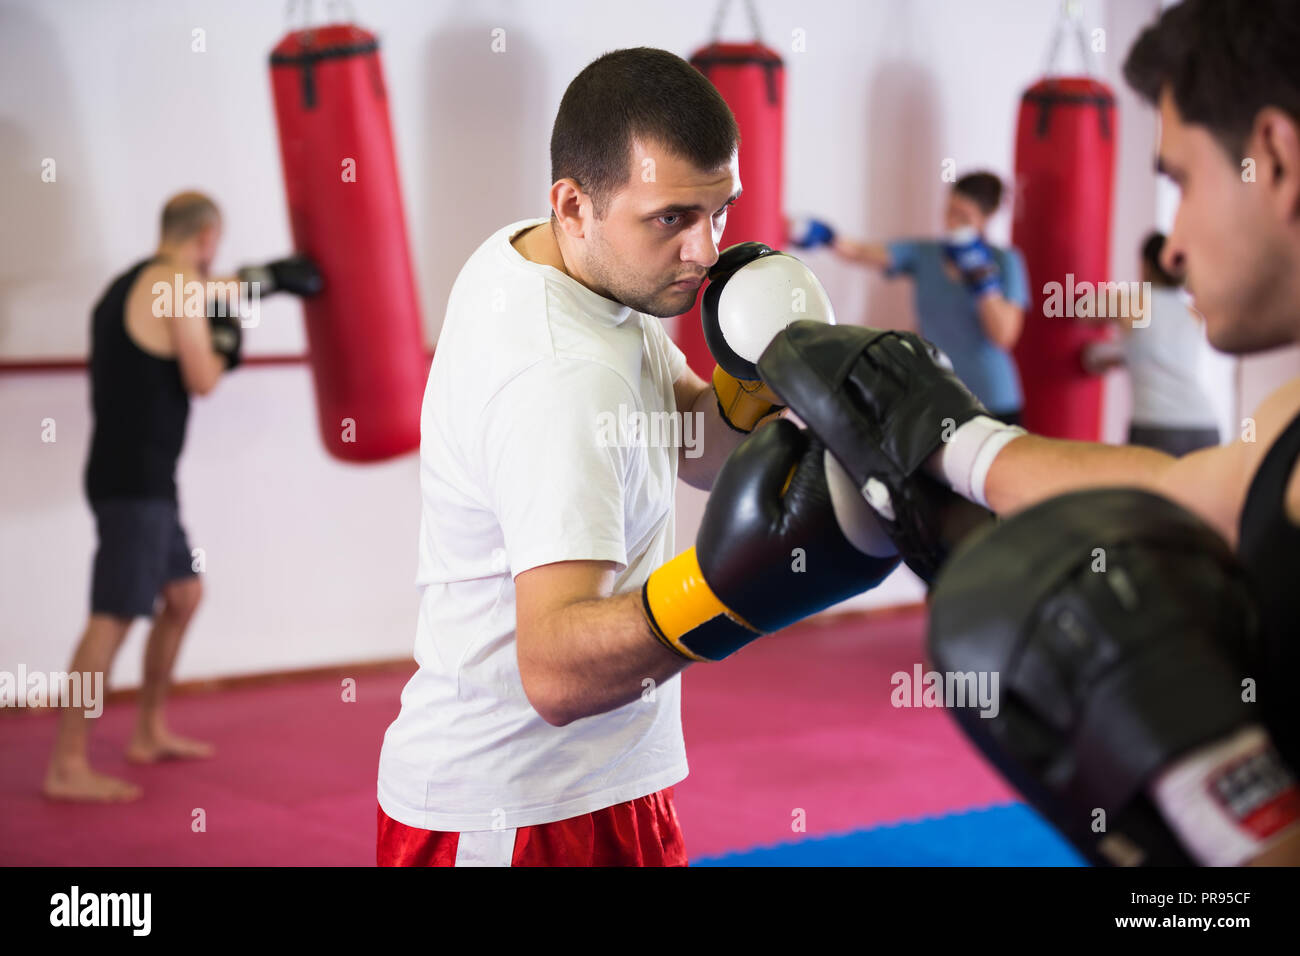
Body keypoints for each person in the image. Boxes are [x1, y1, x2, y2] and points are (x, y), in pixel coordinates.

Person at [756, 0, 1300, 866]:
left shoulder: (995, 262)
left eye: (1183, 180)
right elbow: (1171, 492)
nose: (1176, 243)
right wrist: (947, 439)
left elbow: (1012, 331)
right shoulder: (1284, 429)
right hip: (981, 406)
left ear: (1274, 158)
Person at [375, 47, 898, 867]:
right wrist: (729, 588)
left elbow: (691, 439)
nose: (704, 251)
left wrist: (762, 364)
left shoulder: (553, 262)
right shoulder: (558, 378)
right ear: (574, 205)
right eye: (672, 219)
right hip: (518, 811)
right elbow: (555, 673)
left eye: (719, 211)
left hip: (602, 783)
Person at [44, 192, 320, 802]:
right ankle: (66, 763)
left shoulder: (132, 283)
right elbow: (202, 379)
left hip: (137, 477)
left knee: (184, 593)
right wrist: (226, 346)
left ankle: (147, 730)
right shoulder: (177, 284)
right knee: (112, 618)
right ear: (208, 236)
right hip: (136, 482)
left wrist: (261, 282)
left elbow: (207, 293)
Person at [788, 171, 1029, 425]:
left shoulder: (1005, 261)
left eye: (964, 216)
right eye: (950, 211)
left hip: (992, 401)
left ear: (985, 219)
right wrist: (825, 235)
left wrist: (983, 282)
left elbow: (1004, 336)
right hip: (939, 396)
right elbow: (858, 252)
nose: (953, 222)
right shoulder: (926, 254)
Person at [1082, 231, 1221, 455]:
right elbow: (1161, 355)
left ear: (1146, 266)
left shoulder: (1134, 302)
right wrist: (1119, 354)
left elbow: (1081, 309)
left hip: (1157, 426)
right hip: (1204, 424)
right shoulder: (1192, 312)